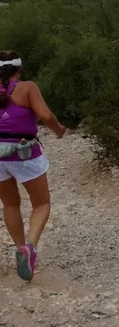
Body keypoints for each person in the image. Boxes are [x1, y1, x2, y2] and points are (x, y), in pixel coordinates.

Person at [0, 50, 67, 281]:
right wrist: (59, 130)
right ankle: (30, 247)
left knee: (10, 204)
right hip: (24, 154)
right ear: (19, 70)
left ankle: (20, 249)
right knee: (42, 203)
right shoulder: (27, 87)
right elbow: (45, 116)